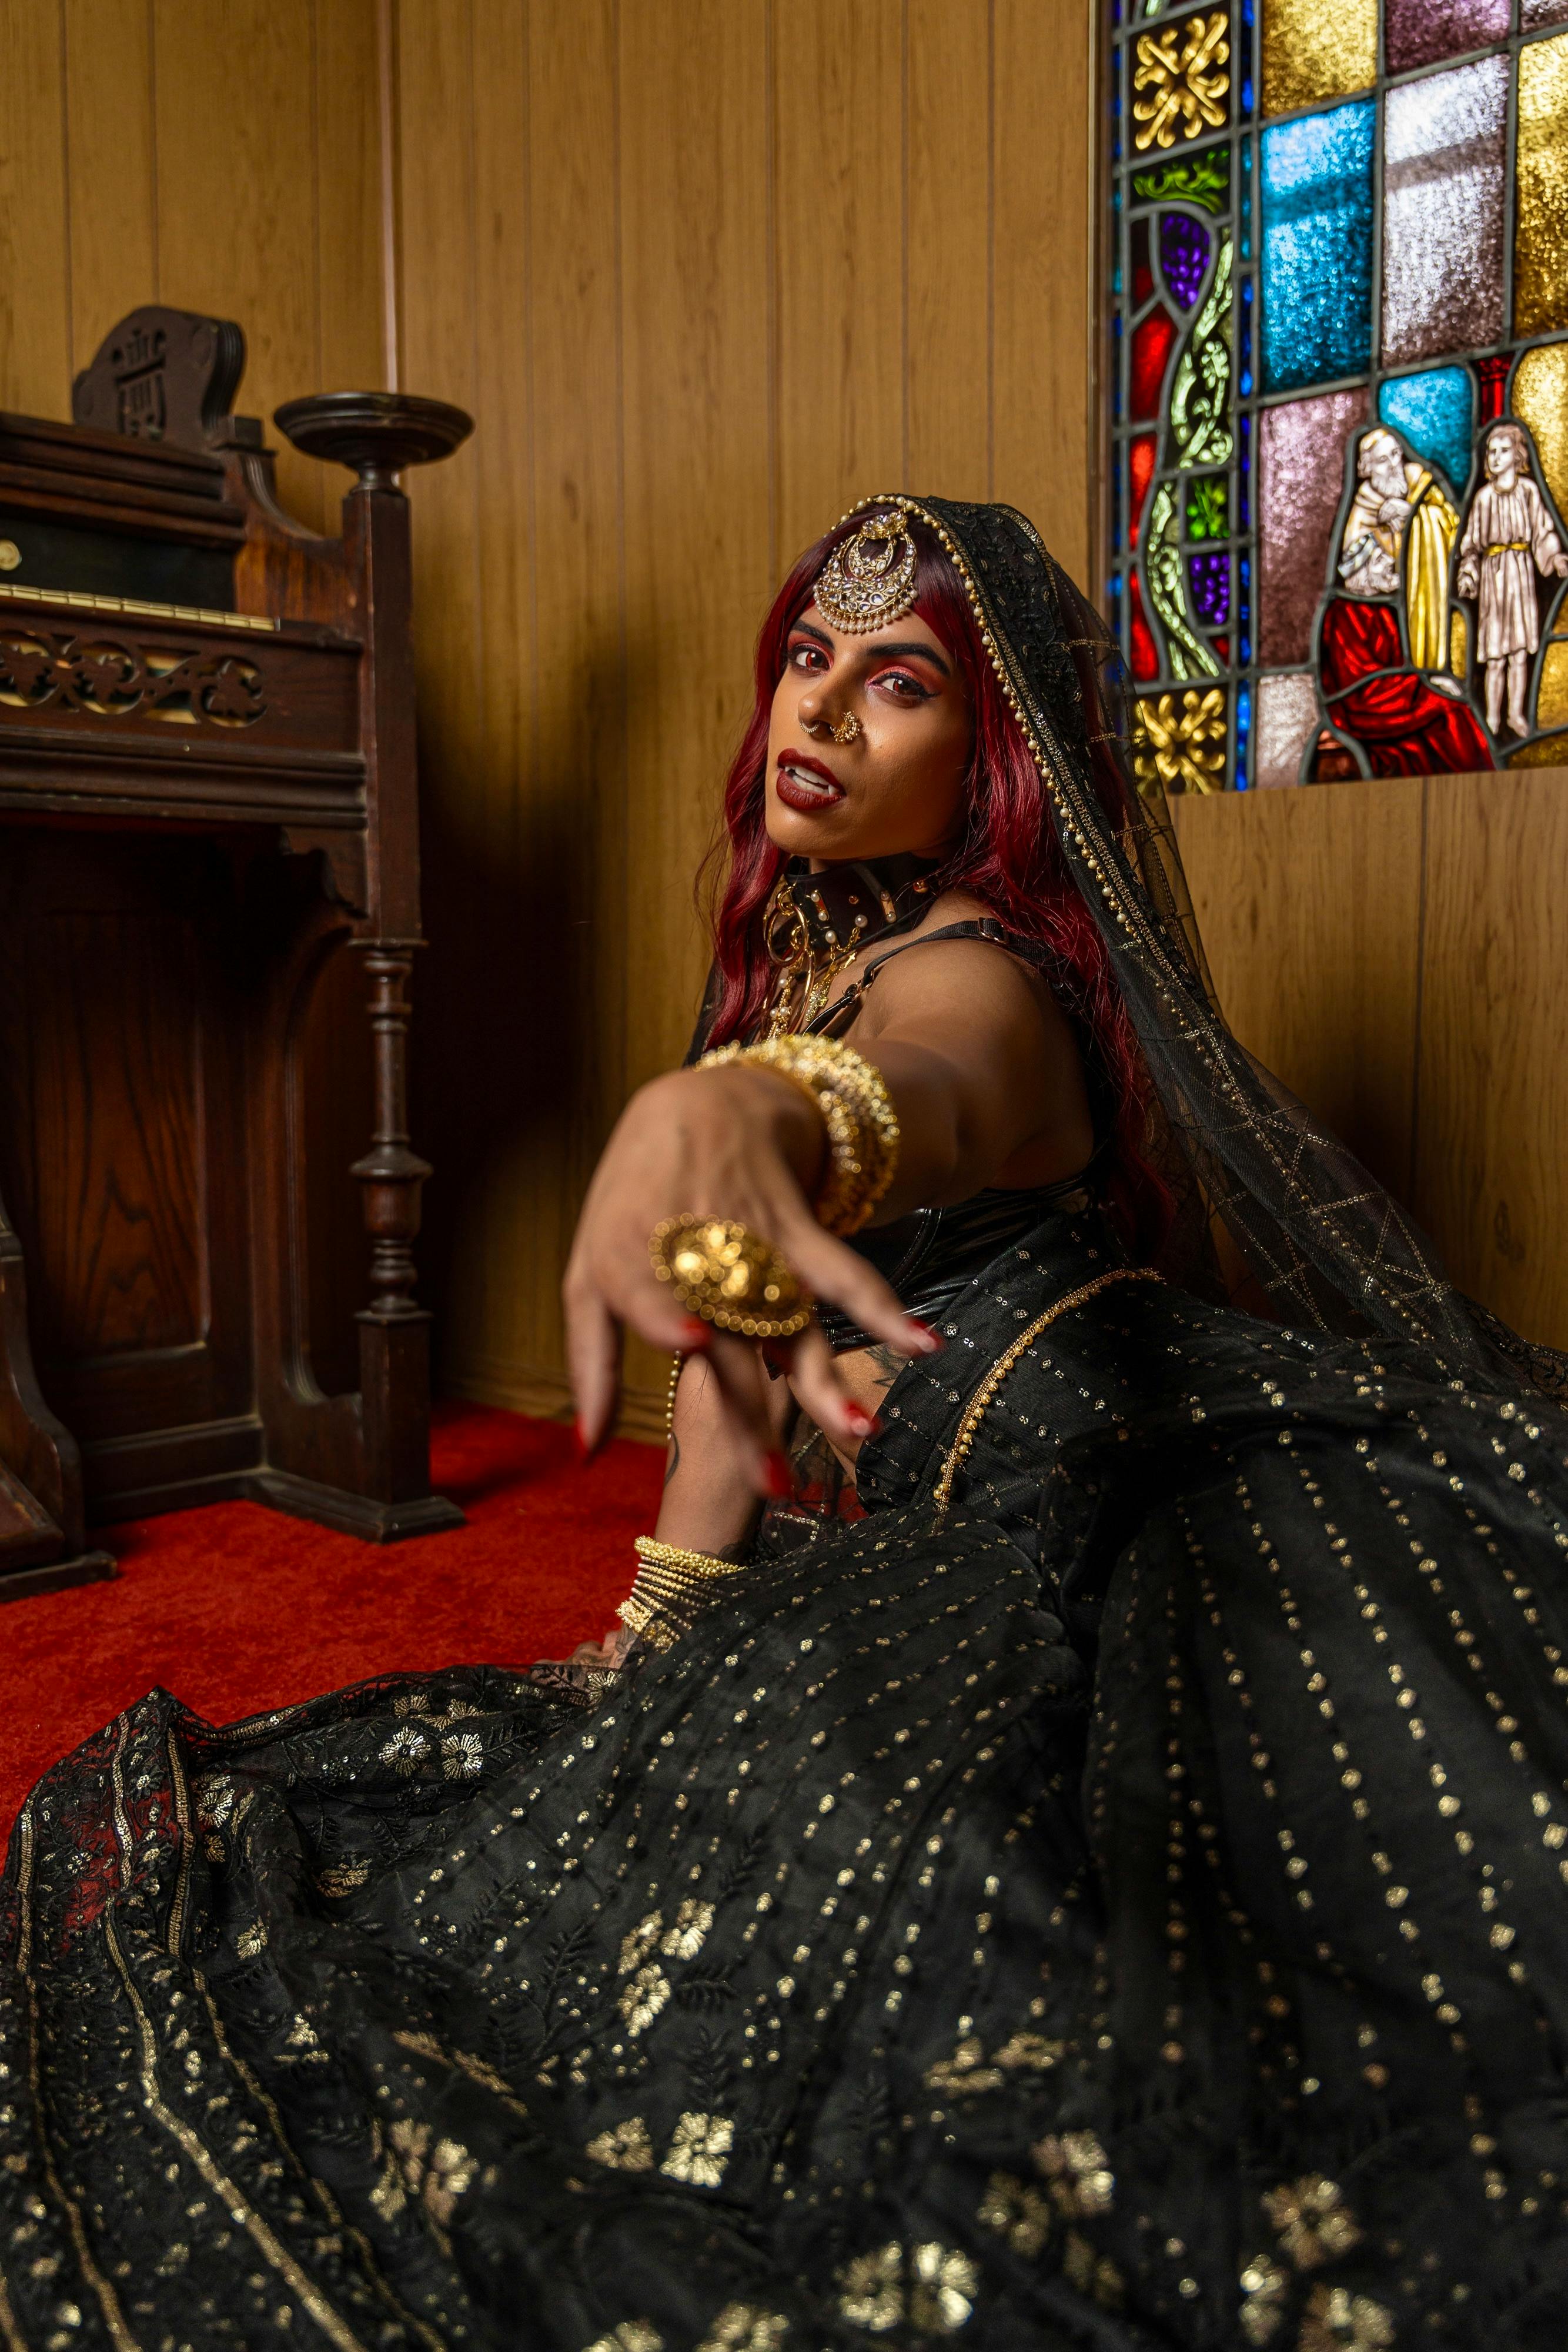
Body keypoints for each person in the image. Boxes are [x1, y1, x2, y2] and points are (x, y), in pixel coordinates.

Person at [5, 497, 1568, 2352]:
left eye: (894, 682)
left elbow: (928, 1091)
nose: (817, 714)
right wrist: (651, 1640)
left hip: (1117, 1503)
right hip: (910, 1526)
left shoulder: (984, 983)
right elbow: (732, 1387)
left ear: (985, 759)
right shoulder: (807, 964)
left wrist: (761, 1116)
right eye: (805, 664)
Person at [1456, 419, 1568, 740]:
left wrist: (1556, 557)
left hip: (1521, 576)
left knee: (1519, 654)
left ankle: (1516, 715)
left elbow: (1542, 532)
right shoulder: (1483, 498)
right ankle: (1491, 718)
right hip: (1494, 579)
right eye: (1491, 452)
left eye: (1503, 451)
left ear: (1517, 455)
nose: (1495, 457)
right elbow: (1472, 545)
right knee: (1495, 657)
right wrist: (1468, 574)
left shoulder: (1529, 492)